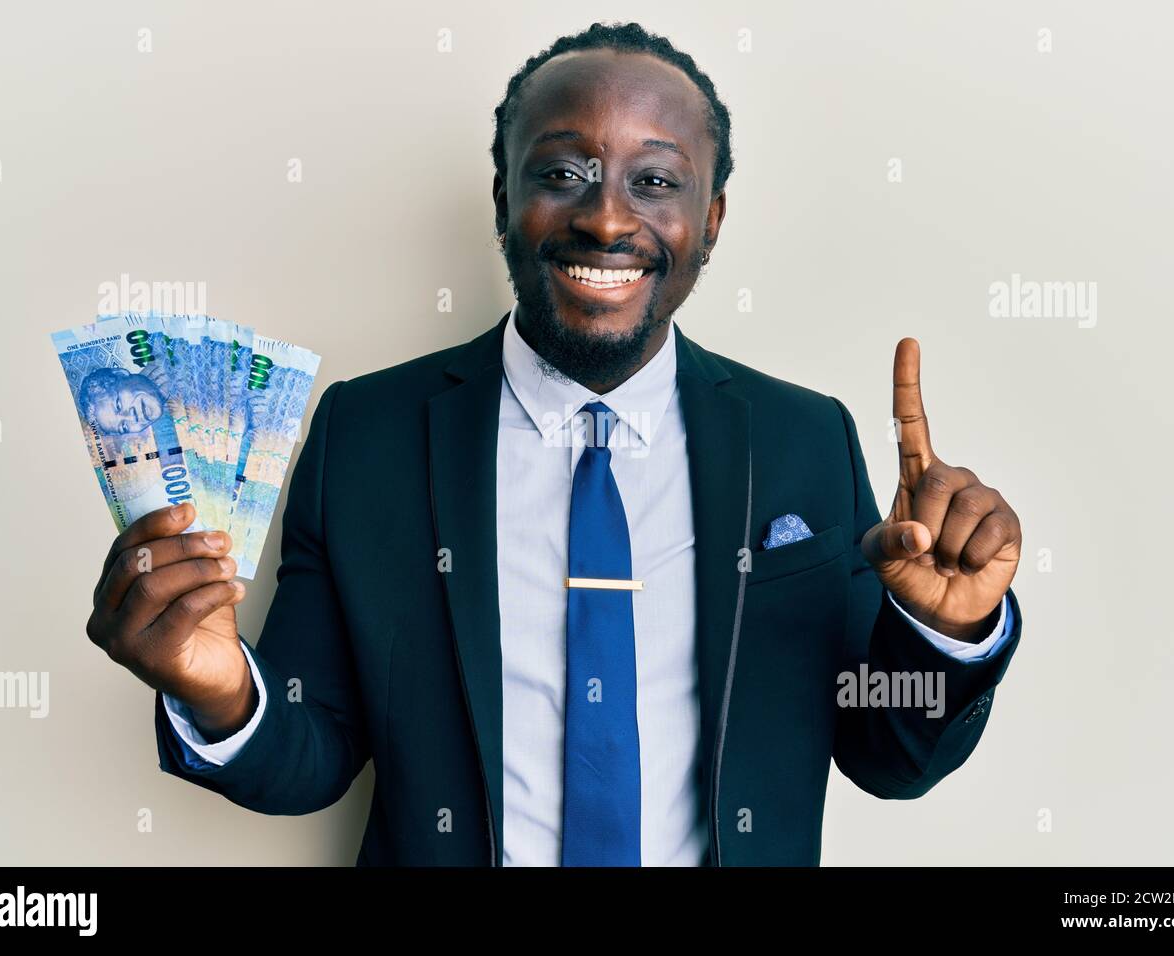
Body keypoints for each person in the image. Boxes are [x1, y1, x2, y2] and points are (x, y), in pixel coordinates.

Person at [85, 22, 1023, 866]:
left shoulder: (801, 439)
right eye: (562, 172)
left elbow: (887, 757)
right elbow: (313, 753)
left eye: (655, 181)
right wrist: (217, 690)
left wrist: (946, 634)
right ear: (504, 198)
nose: (607, 218)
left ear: (714, 220)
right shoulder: (366, 435)